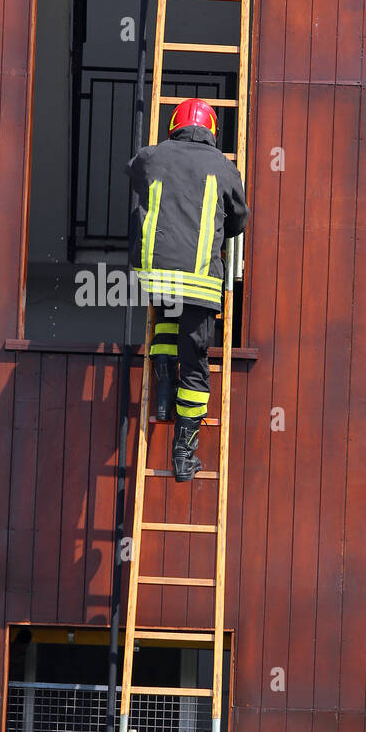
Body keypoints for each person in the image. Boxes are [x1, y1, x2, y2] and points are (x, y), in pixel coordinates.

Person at [125, 98, 249, 481]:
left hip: (155, 276)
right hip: (198, 279)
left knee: (166, 318)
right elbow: (239, 219)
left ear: (174, 125)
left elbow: (134, 173)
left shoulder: (151, 156)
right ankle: (184, 455)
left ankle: (162, 400)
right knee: (195, 365)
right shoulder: (223, 168)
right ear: (211, 129)